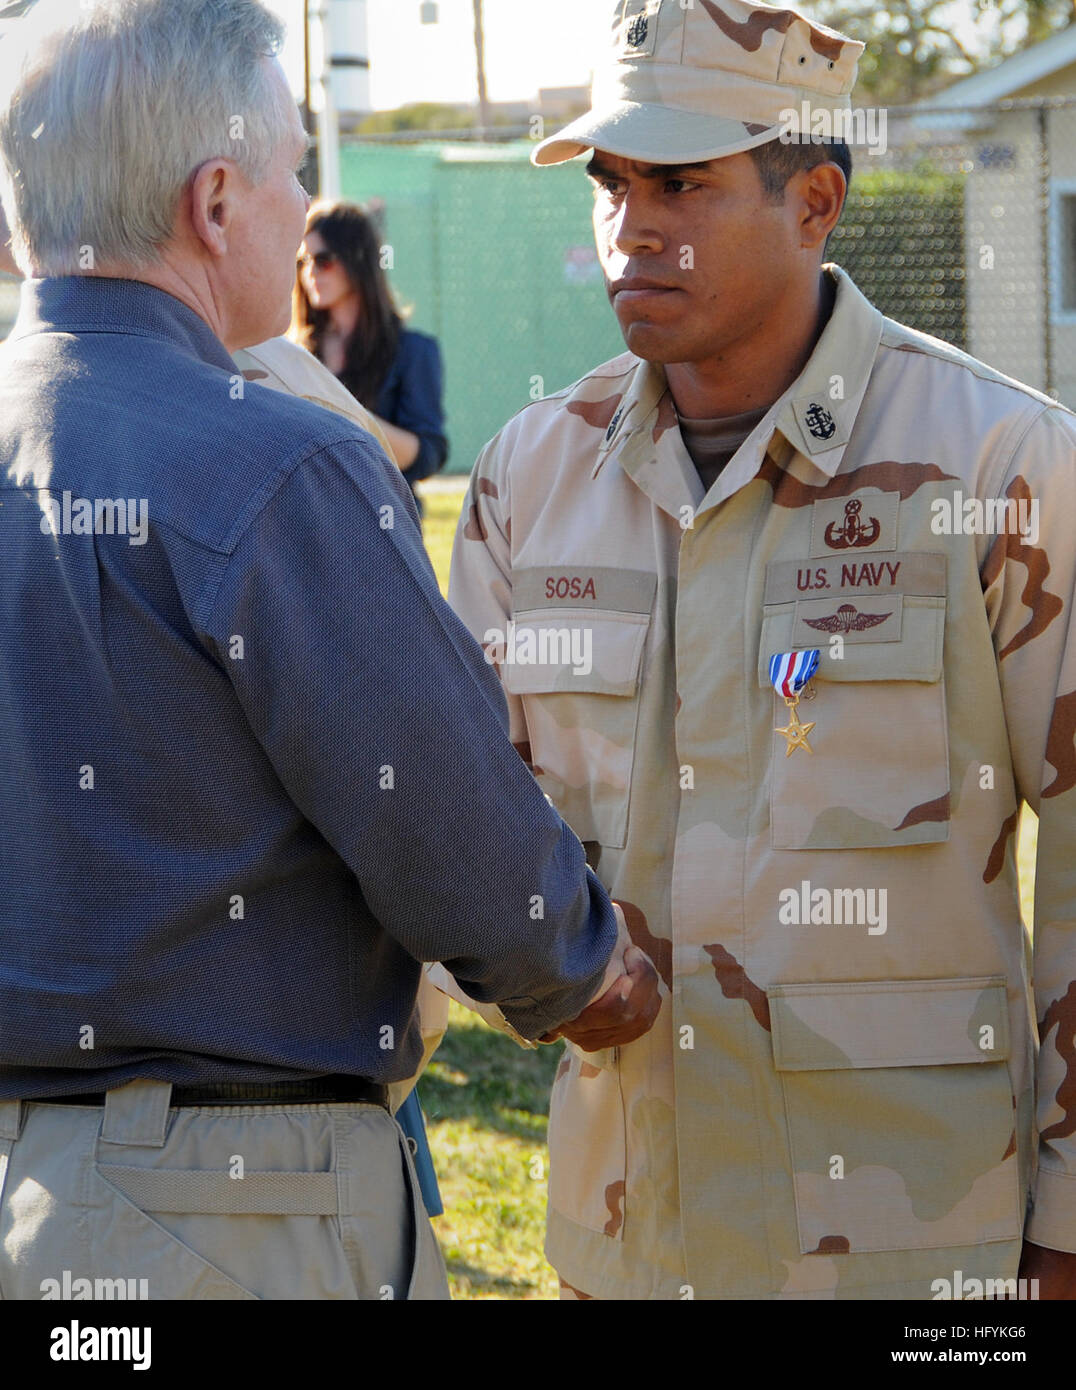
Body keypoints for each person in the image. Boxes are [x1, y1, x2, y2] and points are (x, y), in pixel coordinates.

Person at [0, 0, 660, 1301]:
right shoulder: (275, 464)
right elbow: (458, 839)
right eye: (294, 170)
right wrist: (592, 971)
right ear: (214, 203)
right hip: (233, 1211)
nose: (308, 207)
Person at [449, 0, 1076, 1300]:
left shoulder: (998, 465)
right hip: (629, 1242)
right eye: (610, 184)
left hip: (914, 1256)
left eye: (681, 182)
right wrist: (538, 967)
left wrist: (1070, 1222)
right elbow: (466, 817)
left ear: (815, 203)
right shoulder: (531, 479)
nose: (631, 226)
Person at [292, 200, 448, 518]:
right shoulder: (297, 352)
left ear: (357, 260)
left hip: (382, 521)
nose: (310, 272)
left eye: (323, 260)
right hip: (309, 523)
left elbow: (428, 455)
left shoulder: (412, 350)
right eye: (303, 261)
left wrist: (346, 415)